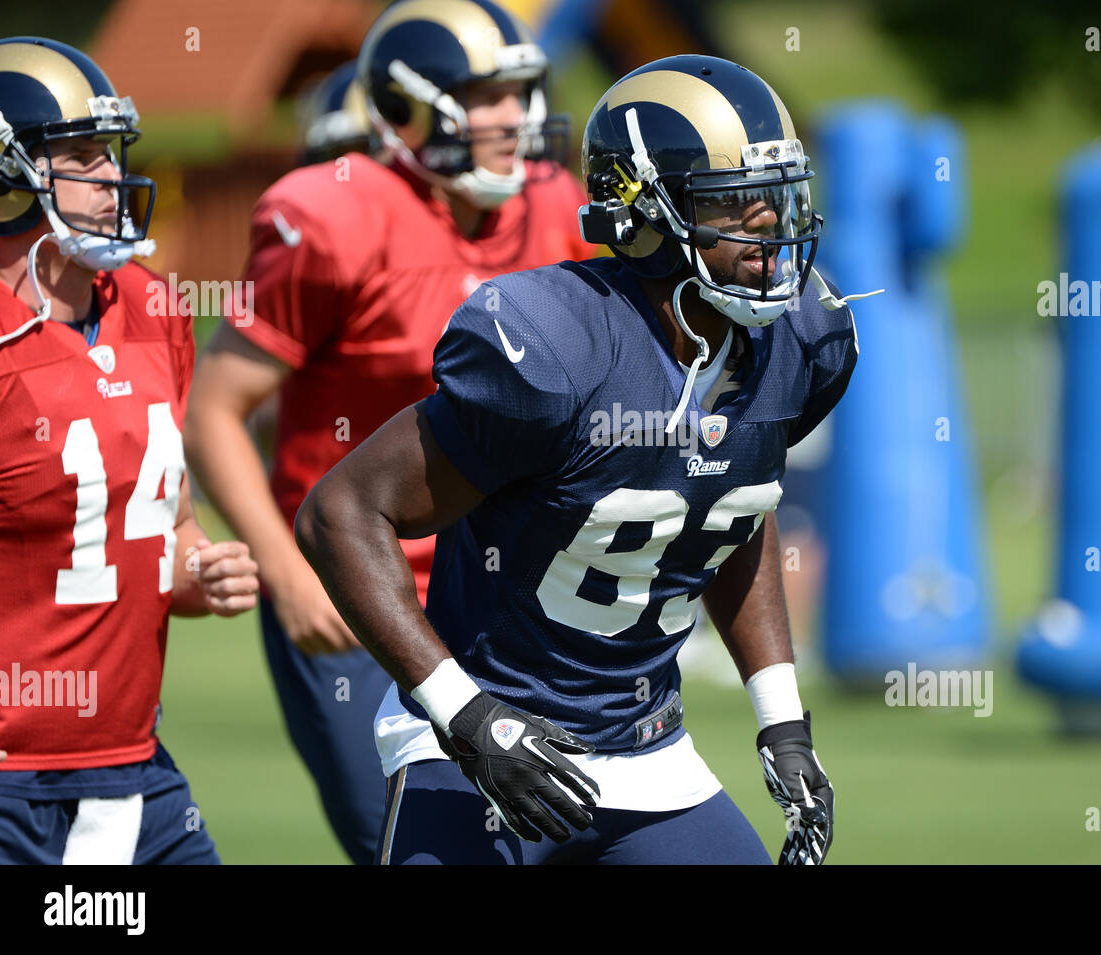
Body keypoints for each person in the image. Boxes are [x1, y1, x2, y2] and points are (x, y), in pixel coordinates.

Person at [295, 54, 883, 865]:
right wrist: (467, 716)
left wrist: (781, 719)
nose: (768, 228)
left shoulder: (802, 341)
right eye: (731, 202)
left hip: (649, 754)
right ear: (646, 212)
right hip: (484, 739)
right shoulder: (557, 345)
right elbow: (341, 511)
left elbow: (733, 503)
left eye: (776, 195)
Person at [182, 0, 598, 865]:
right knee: (415, 846)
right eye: (485, 97)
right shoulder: (337, 217)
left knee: (562, 842)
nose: (513, 119)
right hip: (362, 594)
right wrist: (285, 568)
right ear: (407, 108)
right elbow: (215, 407)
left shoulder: (556, 205)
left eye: (519, 94)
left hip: (514, 598)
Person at [0, 36, 259, 864]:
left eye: (111, 154)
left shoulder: (152, 307)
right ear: (6, 177)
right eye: (80, 157)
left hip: (133, 767)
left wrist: (197, 568)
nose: (112, 178)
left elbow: (161, 530)